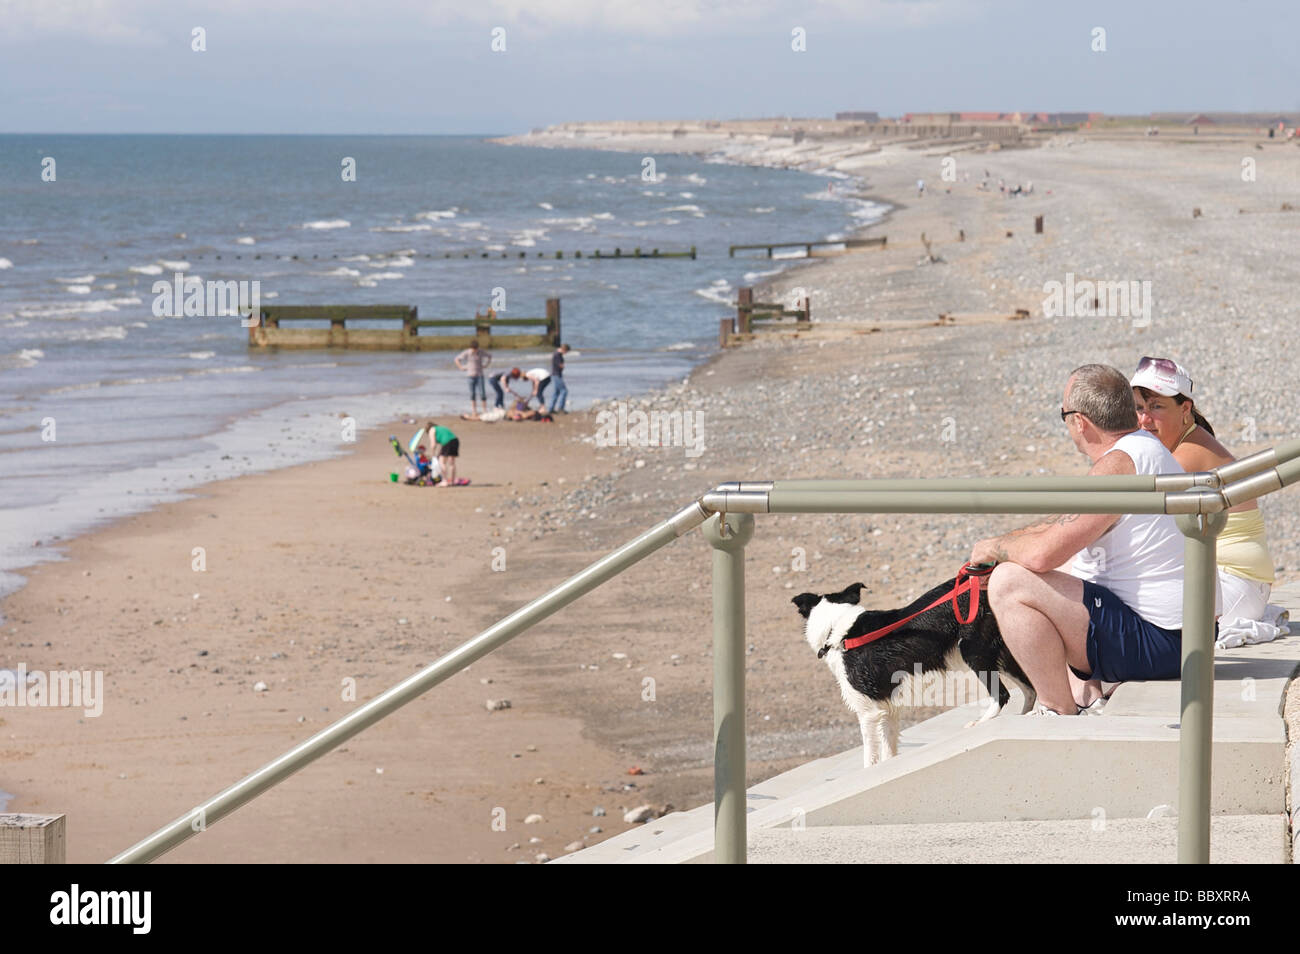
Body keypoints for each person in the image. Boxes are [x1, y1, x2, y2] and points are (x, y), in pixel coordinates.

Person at [969, 364, 1187, 715]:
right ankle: (1086, 692)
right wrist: (1008, 542)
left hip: (1162, 645)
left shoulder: (1117, 466)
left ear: (1079, 421)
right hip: (1184, 634)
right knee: (1072, 561)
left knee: (1009, 582)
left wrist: (994, 549)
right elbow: (1064, 529)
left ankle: (1057, 710)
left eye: (1063, 415)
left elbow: (1042, 555)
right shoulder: (1143, 449)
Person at [1130, 356, 1275, 624]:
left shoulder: (1187, 456)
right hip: (1226, 577)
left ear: (1185, 408)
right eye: (1139, 408)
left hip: (1236, 584)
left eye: (1156, 406)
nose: (1144, 419)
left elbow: (1129, 518)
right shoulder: (1185, 441)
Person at [454, 339, 492, 417]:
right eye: (473, 349)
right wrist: (461, 367)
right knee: (472, 394)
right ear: (471, 348)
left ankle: (484, 410)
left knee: (482, 393)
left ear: (477, 348)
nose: (475, 351)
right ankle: (474, 411)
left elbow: (489, 356)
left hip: (480, 375)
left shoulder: (481, 351)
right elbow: (456, 359)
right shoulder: (467, 353)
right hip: (470, 376)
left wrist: (486, 365)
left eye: (476, 349)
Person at [425, 420, 464, 487]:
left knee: (441, 462)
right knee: (452, 463)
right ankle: (452, 481)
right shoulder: (441, 428)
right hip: (455, 441)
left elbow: (433, 444)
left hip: (448, 442)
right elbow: (443, 443)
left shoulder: (431, 430)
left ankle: (444, 481)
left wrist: (433, 455)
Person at [547, 343, 570, 414]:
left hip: (556, 374)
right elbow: (560, 365)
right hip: (557, 375)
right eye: (566, 352)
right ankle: (561, 408)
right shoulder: (557, 355)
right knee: (564, 391)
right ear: (564, 350)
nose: (566, 353)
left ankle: (551, 408)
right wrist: (562, 366)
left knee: (556, 392)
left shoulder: (557, 354)